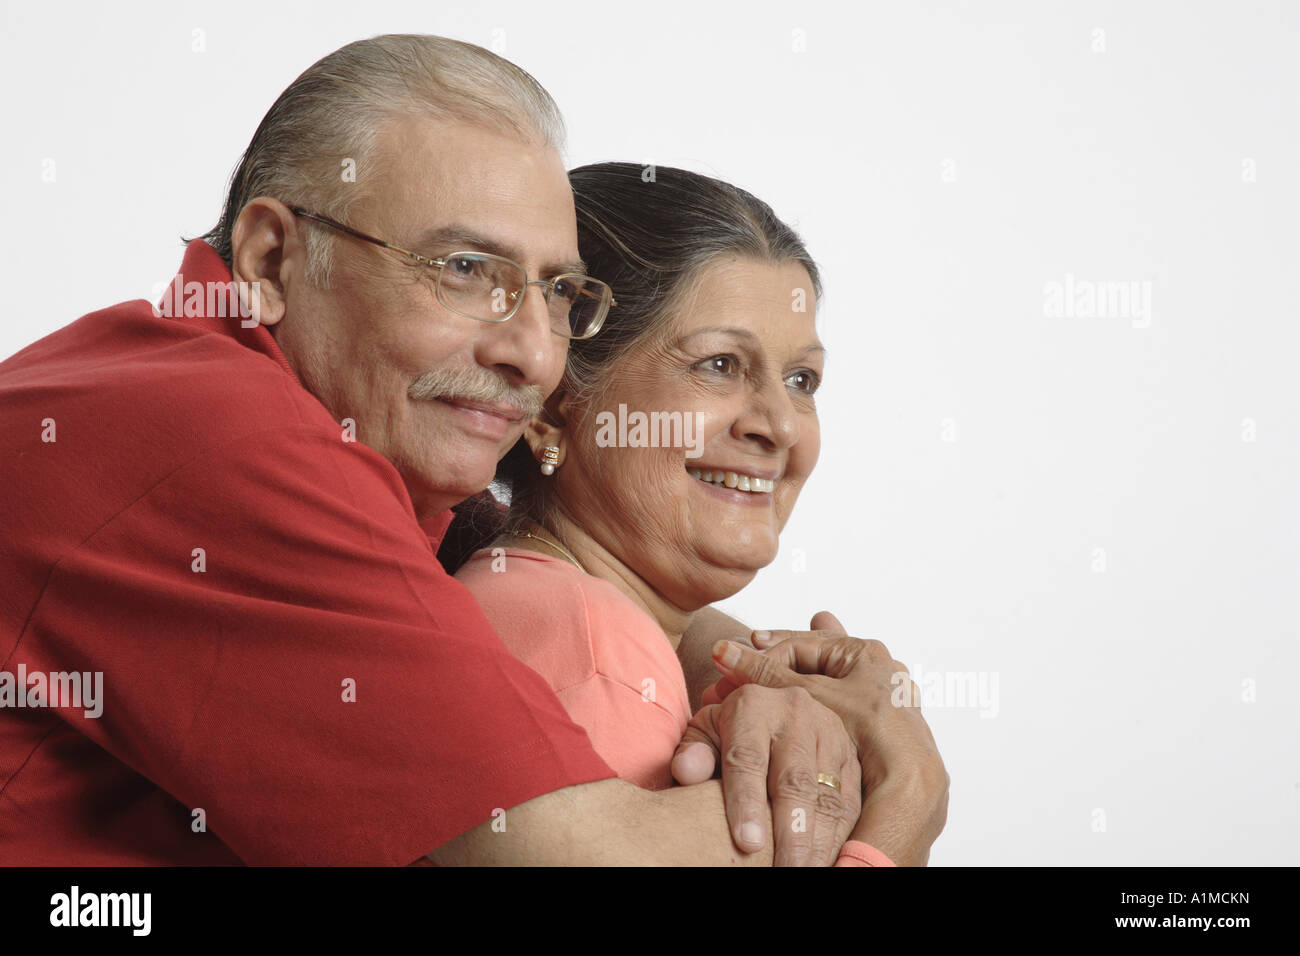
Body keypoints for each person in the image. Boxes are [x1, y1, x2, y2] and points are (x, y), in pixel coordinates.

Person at [0, 35, 946, 866]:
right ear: (270, 263)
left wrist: (745, 668)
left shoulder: (314, 444)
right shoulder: (224, 435)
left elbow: (519, 560)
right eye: (465, 272)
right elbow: (586, 860)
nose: (535, 354)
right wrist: (886, 790)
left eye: (559, 294)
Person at [447, 163, 943, 866]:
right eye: (718, 364)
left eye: (801, 380)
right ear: (559, 407)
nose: (779, 423)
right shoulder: (601, 660)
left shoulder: (536, 604)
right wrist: (903, 810)